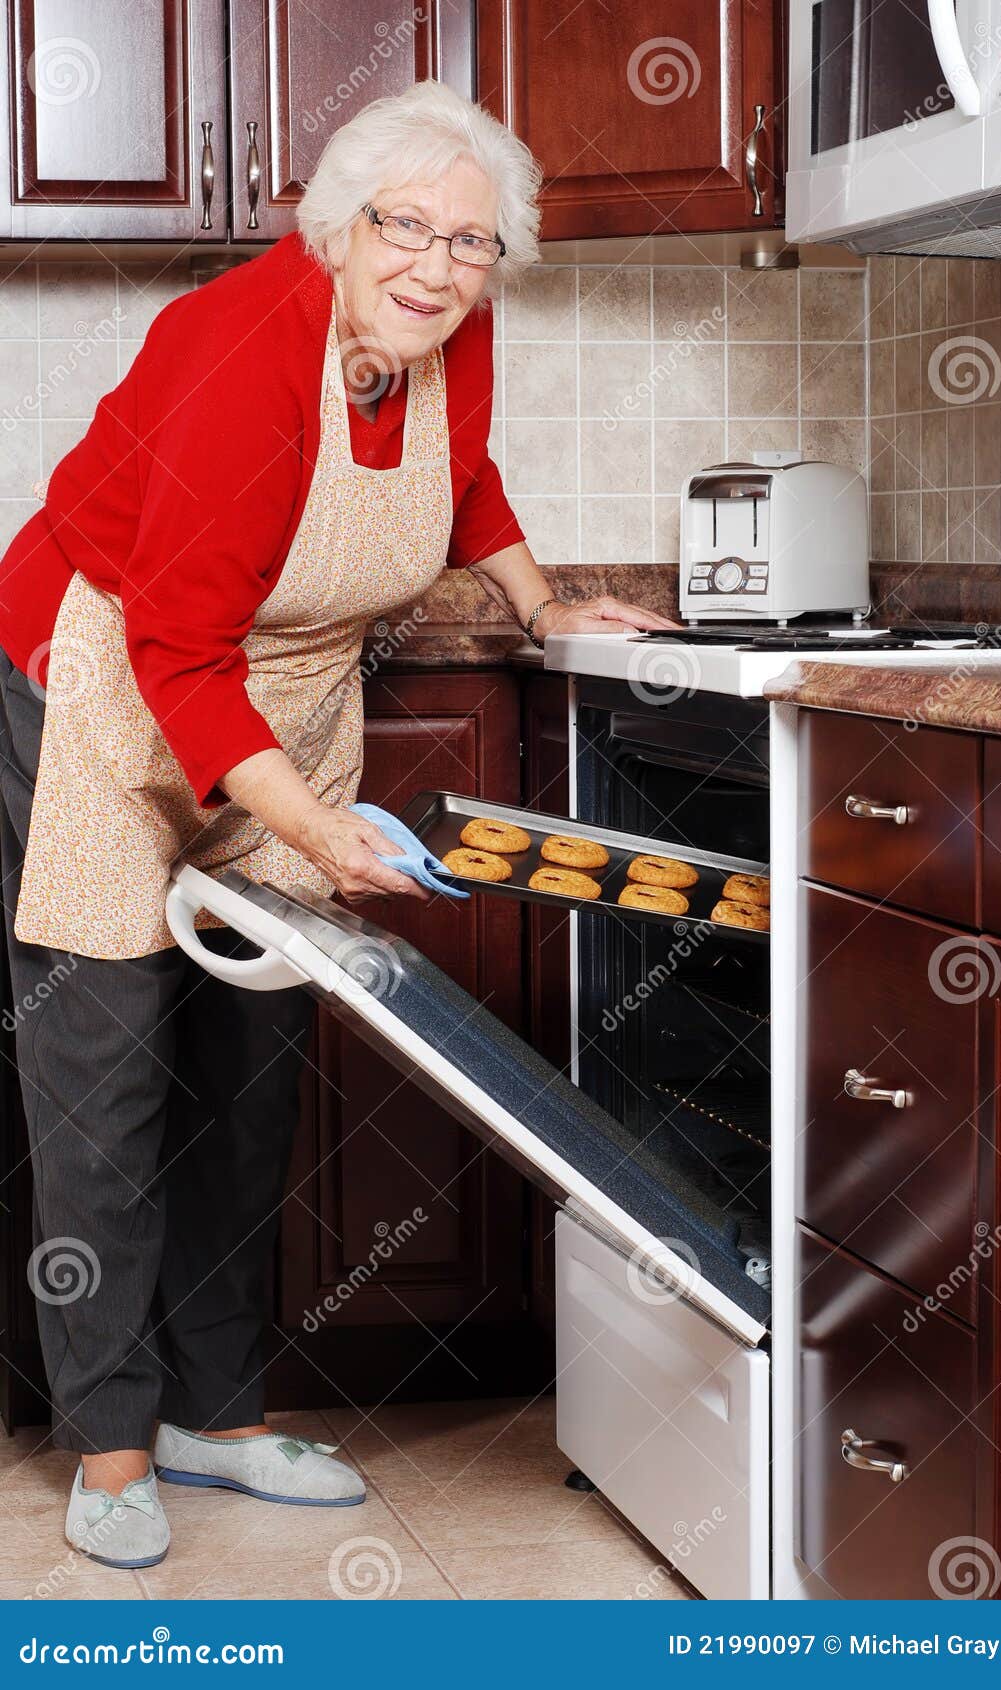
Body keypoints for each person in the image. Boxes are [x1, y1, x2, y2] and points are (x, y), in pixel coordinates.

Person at [0, 80, 675, 1570]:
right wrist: (311, 826)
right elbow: (176, 646)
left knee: (251, 1057)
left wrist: (542, 601)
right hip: (106, 679)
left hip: (287, 699)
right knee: (104, 1054)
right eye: (403, 228)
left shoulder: (450, 329)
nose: (436, 268)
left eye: (472, 243)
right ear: (334, 223)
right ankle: (113, 1438)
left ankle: (217, 1412)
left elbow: (465, 480)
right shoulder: (235, 347)